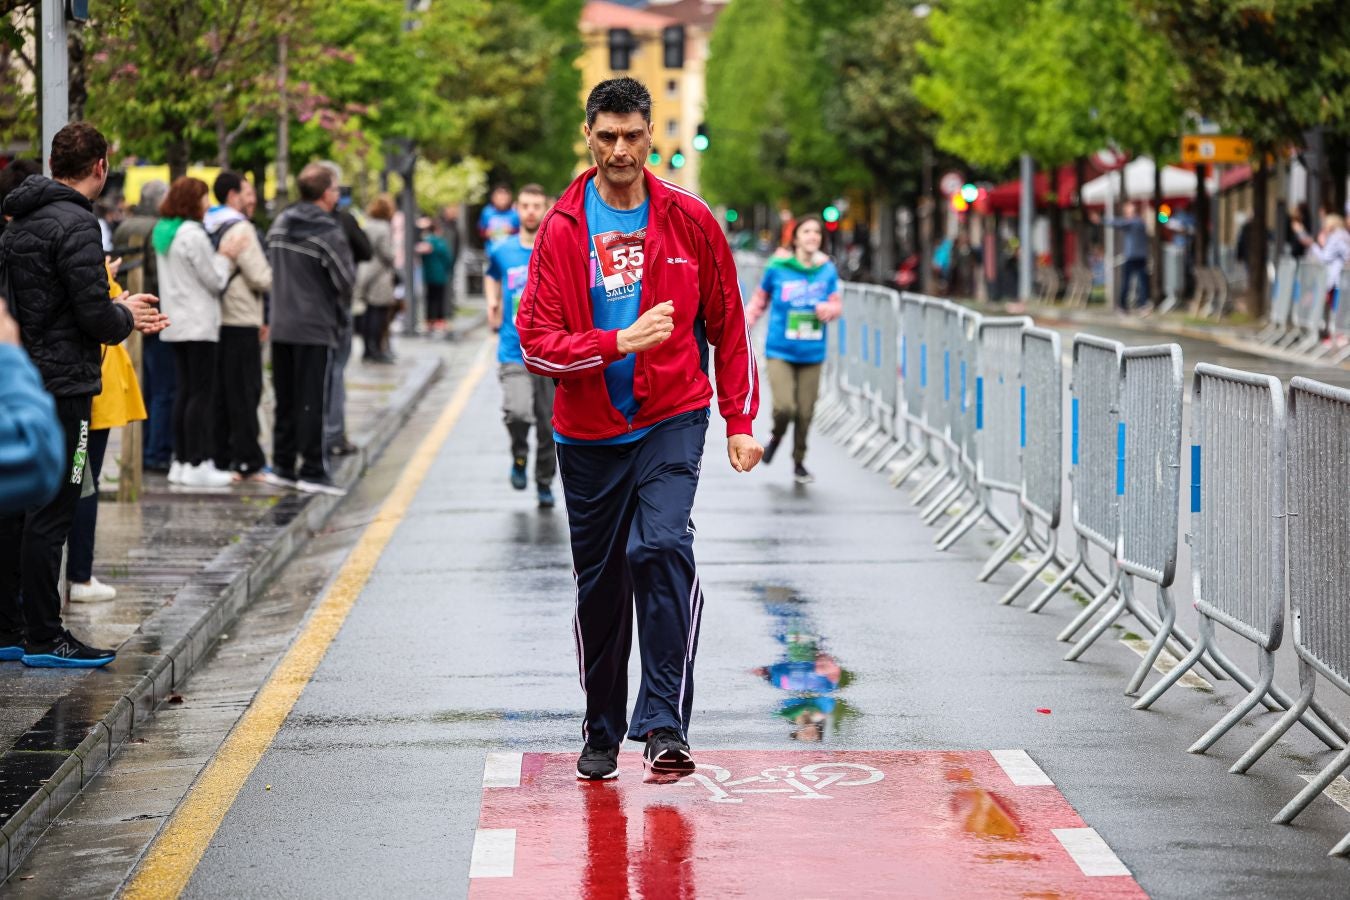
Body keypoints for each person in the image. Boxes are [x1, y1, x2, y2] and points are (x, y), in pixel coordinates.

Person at [517, 78, 761, 781]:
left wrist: (739, 420)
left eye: (632, 135)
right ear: (588, 137)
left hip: (670, 417)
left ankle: (662, 722)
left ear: (652, 134)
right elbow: (535, 342)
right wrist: (616, 342)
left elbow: (727, 323)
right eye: (607, 136)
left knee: (658, 548)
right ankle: (601, 725)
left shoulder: (688, 218)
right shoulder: (562, 228)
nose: (620, 149)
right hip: (587, 431)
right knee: (599, 587)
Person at [0, 121, 167, 666]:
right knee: (56, 504)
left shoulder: (17, 222)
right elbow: (95, 316)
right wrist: (126, 314)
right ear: (100, 166)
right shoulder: (78, 225)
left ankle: (11, 626)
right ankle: (47, 635)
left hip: (23, 377)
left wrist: (117, 310)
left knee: (17, 508)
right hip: (67, 383)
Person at [266, 162, 355, 496]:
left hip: (281, 322)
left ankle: (284, 465)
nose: (338, 194)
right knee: (312, 401)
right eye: (335, 188)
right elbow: (345, 281)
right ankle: (313, 470)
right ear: (326, 193)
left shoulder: (280, 223)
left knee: (285, 399)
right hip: (315, 325)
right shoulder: (328, 231)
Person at [67, 258, 148, 603]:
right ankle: (80, 577)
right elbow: (101, 314)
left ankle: (78, 576)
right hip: (92, 390)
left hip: (91, 387)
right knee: (83, 483)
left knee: (80, 481)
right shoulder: (81, 254)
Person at [155, 176, 242, 488]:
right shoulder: (194, 235)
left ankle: (180, 461)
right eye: (204, 198)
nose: (208, 204)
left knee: (184, 392)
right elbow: (215, 280)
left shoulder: (165, 232)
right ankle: (198, 462)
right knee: (201, 395)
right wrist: (226, 257)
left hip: (175, 323)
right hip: (200, 323)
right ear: (193, 201)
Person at [745, 215, 841, 484]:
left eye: (817, 233)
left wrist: (829, 310)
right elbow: (759, 300)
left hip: (812, 352)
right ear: (795, 237)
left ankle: (799, 461)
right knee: (785, 407)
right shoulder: (777, 267)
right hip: (780, 350)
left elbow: (836, 304)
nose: (813, 236)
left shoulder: (827, 270)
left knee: (806, 412)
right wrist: (743, 327)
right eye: (807, 231)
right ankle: (776, 434)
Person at [485, 184, 556, 508]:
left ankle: (543, 481)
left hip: (552, 351)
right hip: (514, 349)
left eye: (536, 205)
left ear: (545, 208)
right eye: (524, 205)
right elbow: (491, 274)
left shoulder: (557, 247)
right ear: (517, 208)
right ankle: (519, 454)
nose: (530, 211)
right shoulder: (503, 250)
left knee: (549, 425)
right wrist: (492, 303)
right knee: (517, 412)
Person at [205, 172, 273, 481]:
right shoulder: (240, 227)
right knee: (246, 392)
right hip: (242, 316)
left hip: (218, 318)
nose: (251, 197)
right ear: (232, 195)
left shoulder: (208, 224)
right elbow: (260, 276)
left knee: (222, 392)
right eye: (246, 191)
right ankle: (248, 460)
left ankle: (223, 456)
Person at [114, 180, 174, 472]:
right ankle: (156, 452)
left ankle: (144, 447)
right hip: (152, 310)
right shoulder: (157, 229)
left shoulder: (125, 225)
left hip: (125, 306)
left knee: (147, 384)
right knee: (163, 386)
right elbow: (158, 273)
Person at [320, 163, 371, 460]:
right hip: (336, 305)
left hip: (300, 310)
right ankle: (334, 433)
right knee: (336, 369)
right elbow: (365, 251)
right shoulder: (342, 220)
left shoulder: (290, 220)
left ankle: (319, 434)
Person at [0, 297, 64, 514]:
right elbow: (38, 459)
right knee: (76, 486)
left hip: (45, 387)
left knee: (80, 482)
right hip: (67, 391)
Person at [355, 194, 398, 363]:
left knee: (368, 312)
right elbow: (387, 253)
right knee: (378, 314)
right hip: (380, 274)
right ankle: (376, 350)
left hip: (365, 271)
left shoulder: (367, 225)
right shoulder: (383, 228)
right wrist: (394, 256)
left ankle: (367, 349)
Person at [1101, 202, 1150, 312]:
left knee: (1130, 282)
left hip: (1133, 256)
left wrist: (1102, 220)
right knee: (1139, 282)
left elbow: (1119, 223)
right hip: (1139, 256)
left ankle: (1126, 305)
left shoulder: (1135, 222)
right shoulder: (1140, 222)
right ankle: (1139, 305)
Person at [418, 217, 454, 333]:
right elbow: (447, 258)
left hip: (428, 274)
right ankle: (439, 320)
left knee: (429, 298)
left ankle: (429, 320)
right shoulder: (440, 242)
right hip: (440, 274)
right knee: (439, 298)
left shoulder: (425, 241)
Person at [478, 184, 520, 248]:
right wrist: (487, 233)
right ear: (493, 198)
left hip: (510, 248)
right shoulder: (487, 212)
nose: (502, 200)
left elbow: (522, 232)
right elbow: (481, 231)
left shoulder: (515, 213)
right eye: (499, 196)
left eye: (504, 197)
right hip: (492, 249)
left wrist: (512, 231)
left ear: (509, 198)